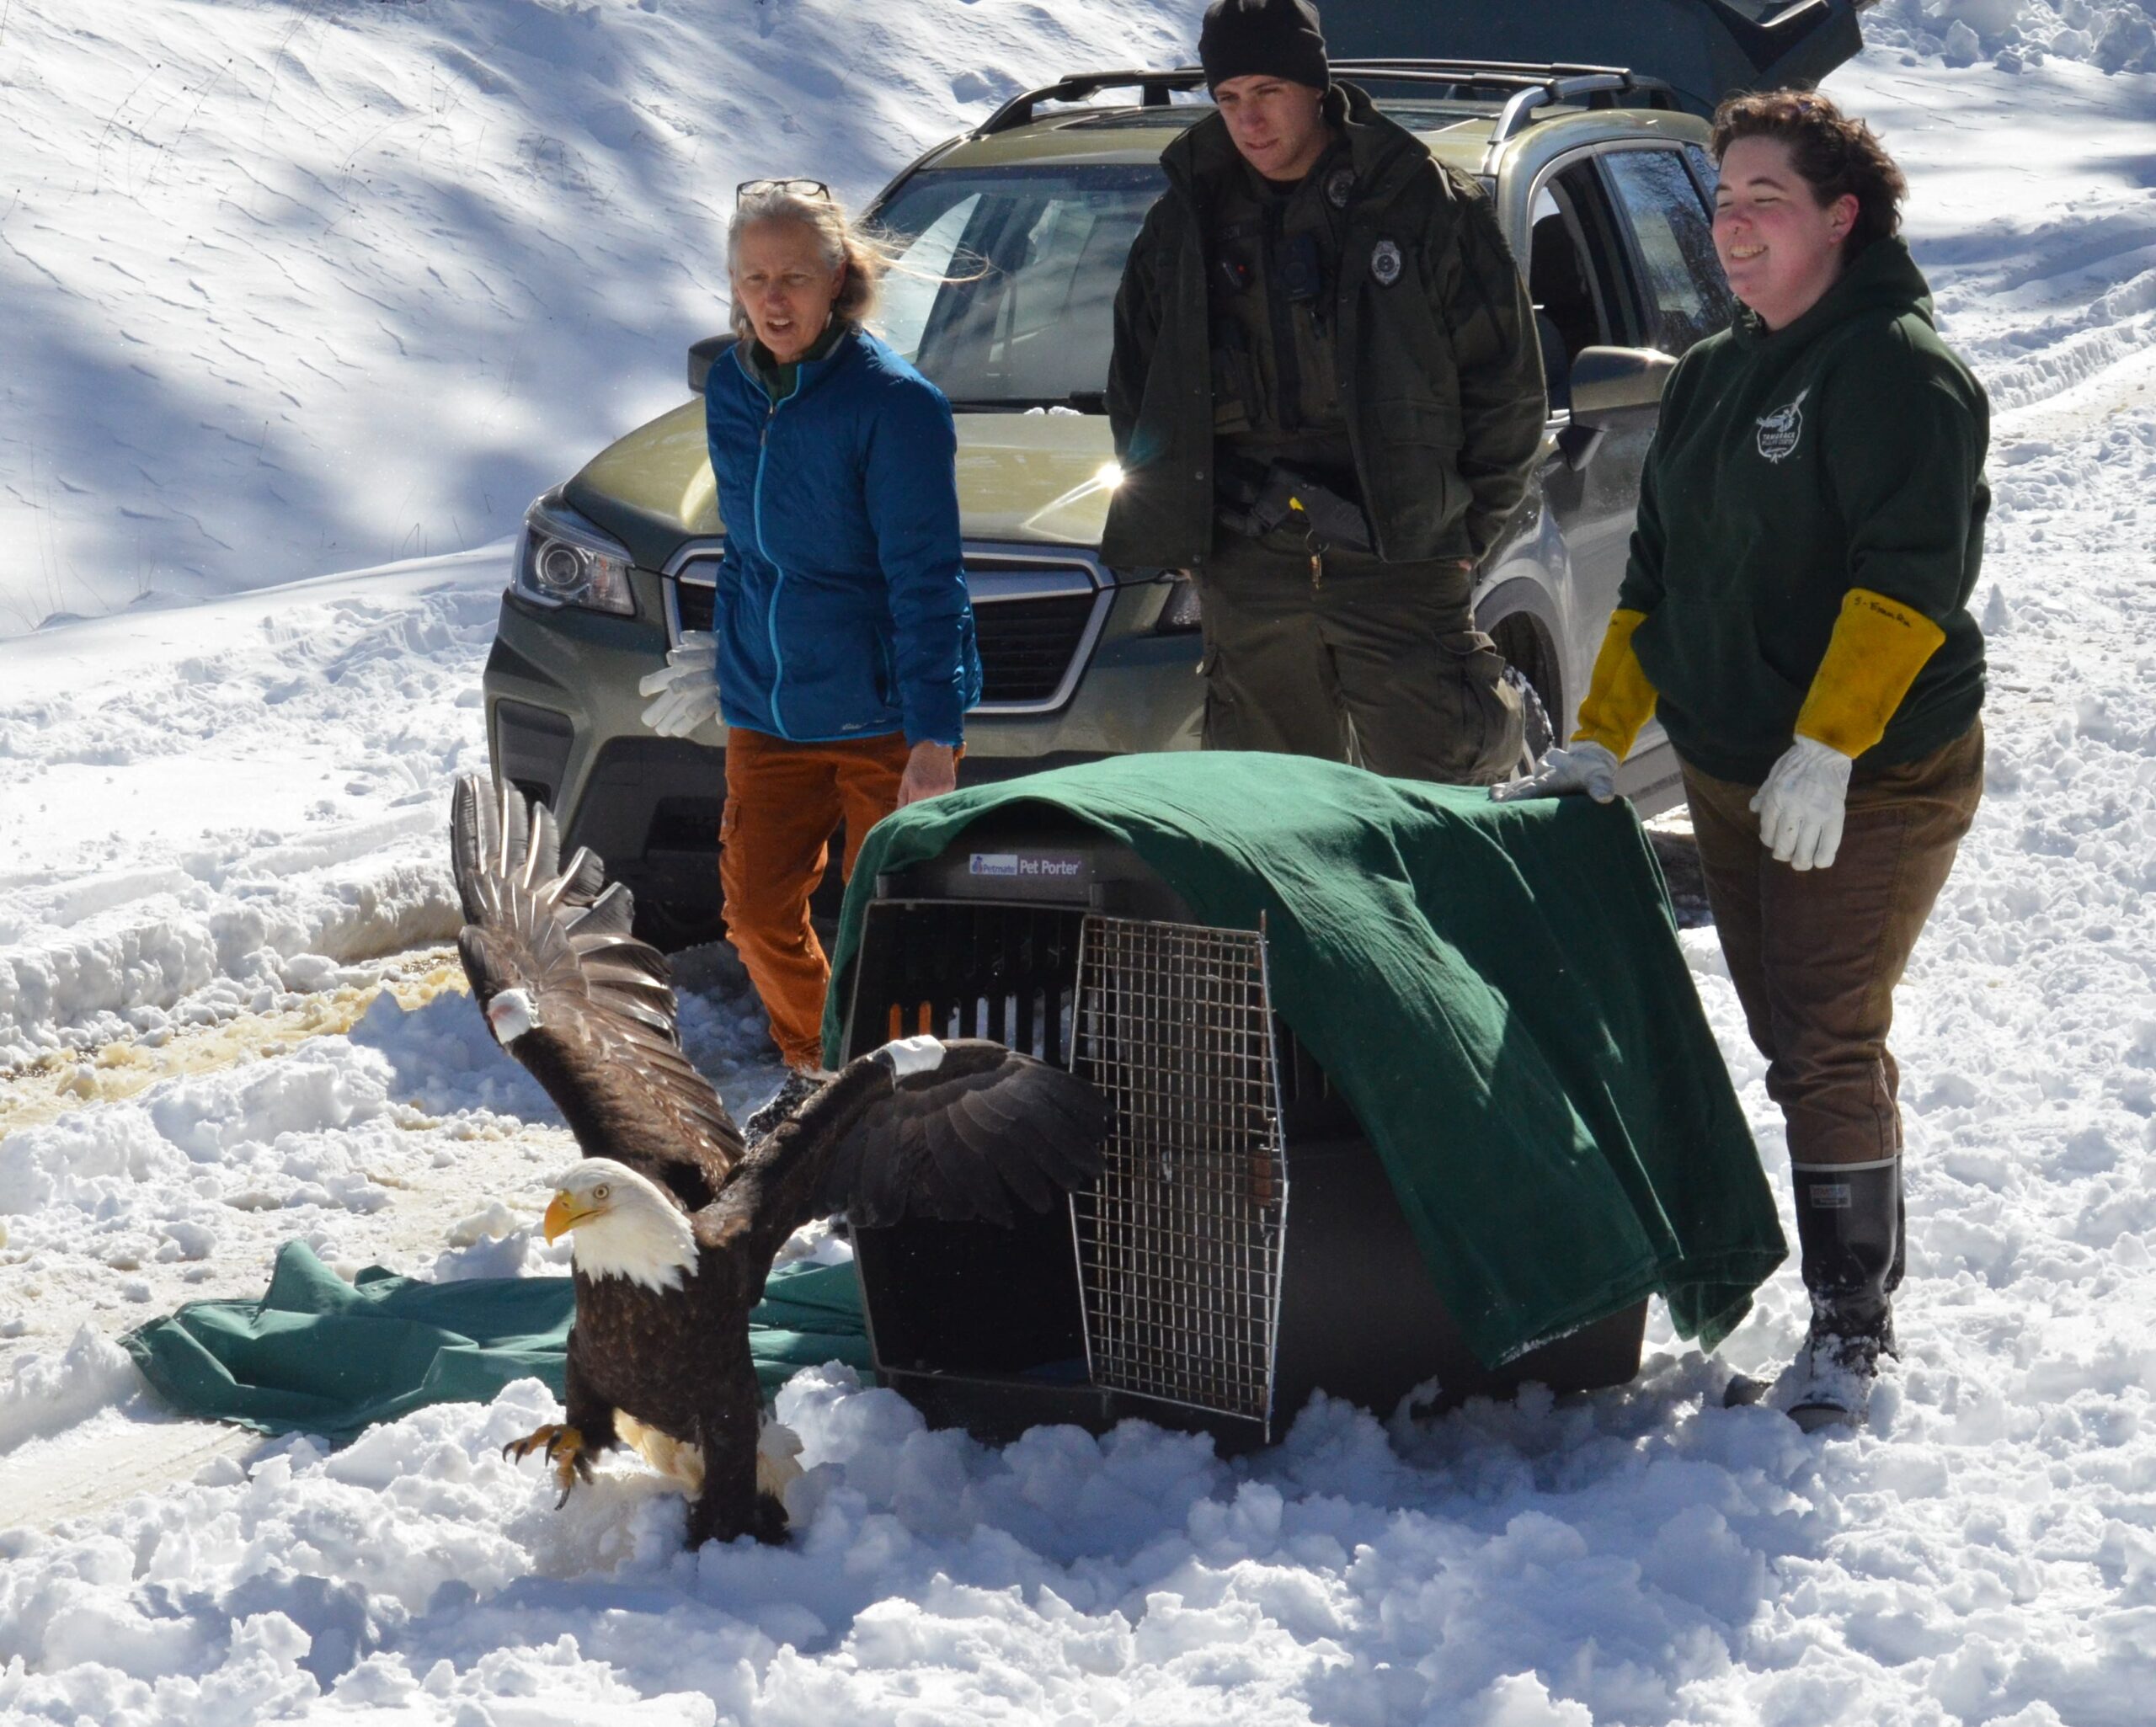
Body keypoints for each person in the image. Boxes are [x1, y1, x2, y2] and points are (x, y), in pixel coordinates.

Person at [1497, 93, 1989, 1431]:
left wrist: (1829, 745)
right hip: (1729, 760)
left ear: (1842, 217)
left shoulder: (1900, 371)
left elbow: (1910, 580)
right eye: (1720, 202)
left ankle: (1853, 1332)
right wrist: (1598, 738)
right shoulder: (1715, 369)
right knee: (1788, 1031)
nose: (1731, 225)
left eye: (1764, 199)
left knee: (1826, 1034)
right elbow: (1656, 576)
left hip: (1872, 768)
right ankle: (1856, 1270)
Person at [1102, 0, 1546, 785]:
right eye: (1228, 98)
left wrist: (1463, 535)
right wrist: (1180, 531)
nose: (1249, 119)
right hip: (1249, 566)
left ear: (1316, 85)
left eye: (1268, 90)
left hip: (1401, 561)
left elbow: (1507, 389)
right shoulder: (1184, 223)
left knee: (1442, 797)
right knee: (1275, 822)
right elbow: (1139, 394)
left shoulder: (1423, 205)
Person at [640, 179, 982, 1138]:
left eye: (794, 275)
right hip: (770, 712)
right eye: (754, 278)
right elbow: (750, 550)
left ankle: (907, 1106)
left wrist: (934, 735)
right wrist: (726, 643)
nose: (774, 298)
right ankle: (821, 1070)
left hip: (879, 719)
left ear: (838, 277)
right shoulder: (737, 394)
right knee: (753, 916)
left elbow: (928, 582)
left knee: (896, 934)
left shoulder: (896, 405)